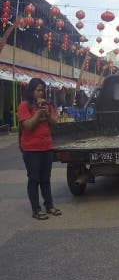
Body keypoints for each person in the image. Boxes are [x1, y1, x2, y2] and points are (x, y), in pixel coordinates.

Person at [18, 78, 61, 220]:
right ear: (31, 91)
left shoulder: (48, 106)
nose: (41, 92)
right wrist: (38, 111)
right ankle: (36, 210)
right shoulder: (24, 106)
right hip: (31, 149)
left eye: (42, 90)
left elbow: (56, 124)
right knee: (34, 179)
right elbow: (29, 126)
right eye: (38, 90)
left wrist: (47, 113)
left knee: (45, 179)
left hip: (46, 147)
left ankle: (49, 206)